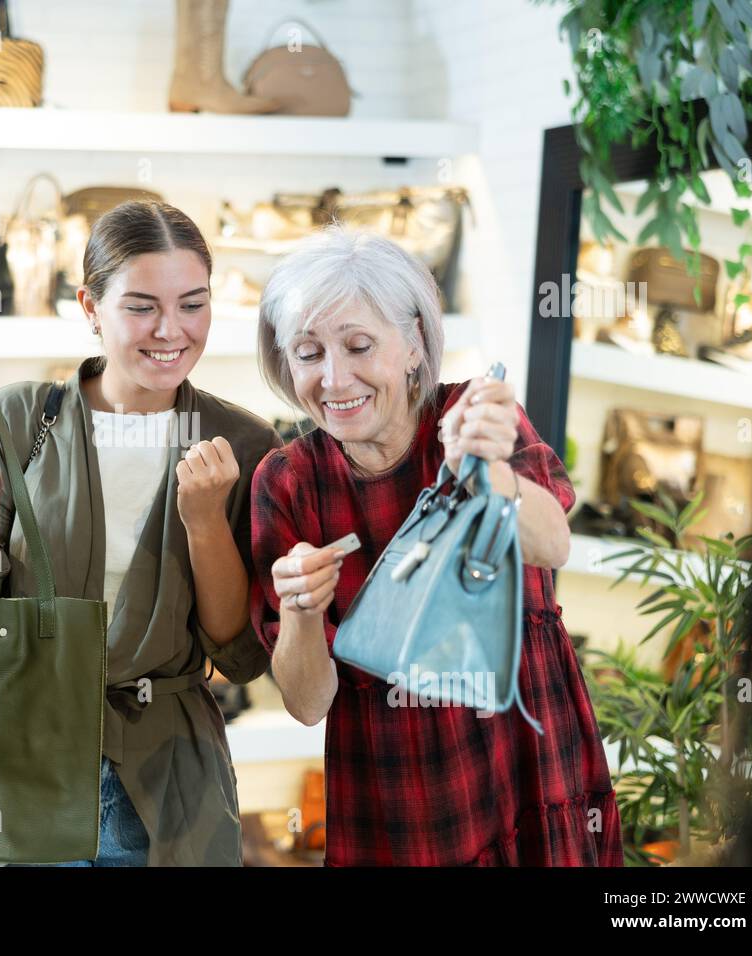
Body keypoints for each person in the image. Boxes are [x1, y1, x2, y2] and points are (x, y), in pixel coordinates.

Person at [249, 226, 623, 866]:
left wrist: (487, 472)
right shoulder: (287, 483)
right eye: (308, 353)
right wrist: (303, 613)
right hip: (403, 791)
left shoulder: (473, 417)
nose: (334, 379)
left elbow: (551, 544)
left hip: (526, 751)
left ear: (415, 343)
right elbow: (308, 704)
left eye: (359, 345)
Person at [0, 201, 281, 866]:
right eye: (141, 306)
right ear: (90, 307)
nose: (171, 331)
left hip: (167, 786)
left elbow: (238, 655)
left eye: (193, 304)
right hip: (22, 771)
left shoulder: (242, 441)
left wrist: (205, 521)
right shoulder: (20, 417)